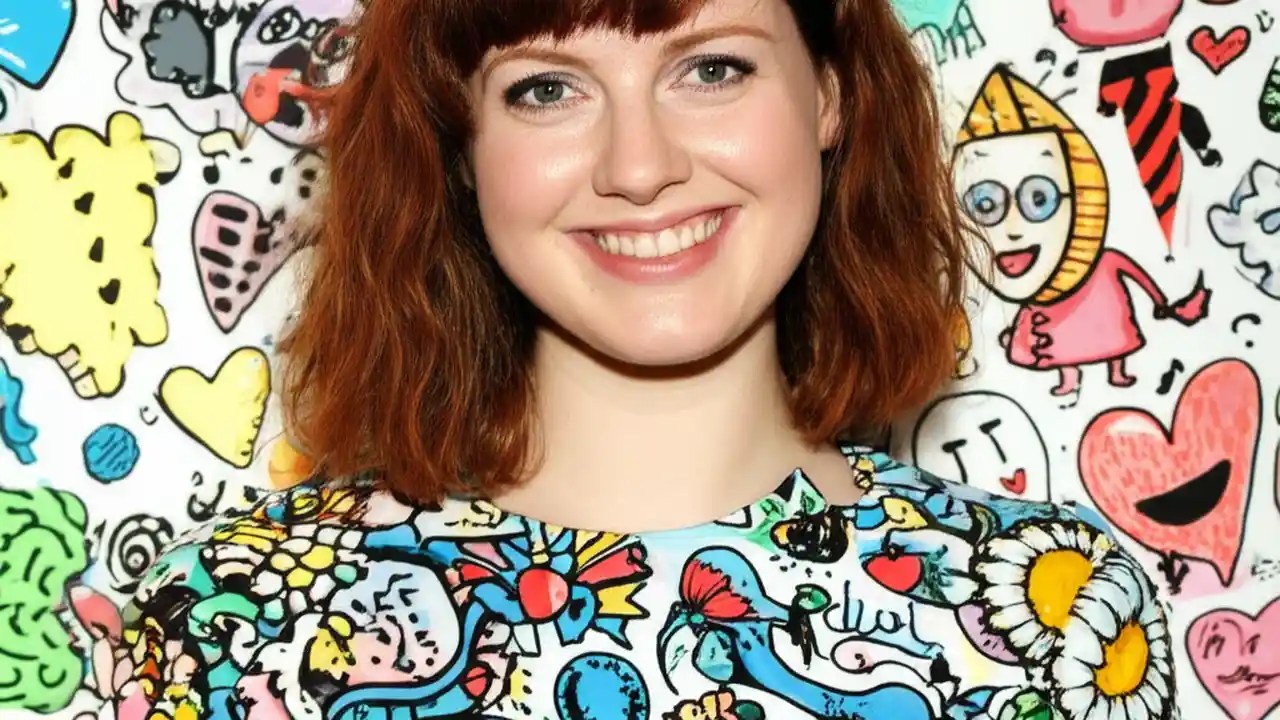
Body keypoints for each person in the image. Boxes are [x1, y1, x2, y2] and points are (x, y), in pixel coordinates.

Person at [101, 0, 1177, 718]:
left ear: (828, 95)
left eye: (709, 68)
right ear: (460, 149)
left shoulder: (1055, 618)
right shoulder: (228, 630)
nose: (638, 165)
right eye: (545, 89)